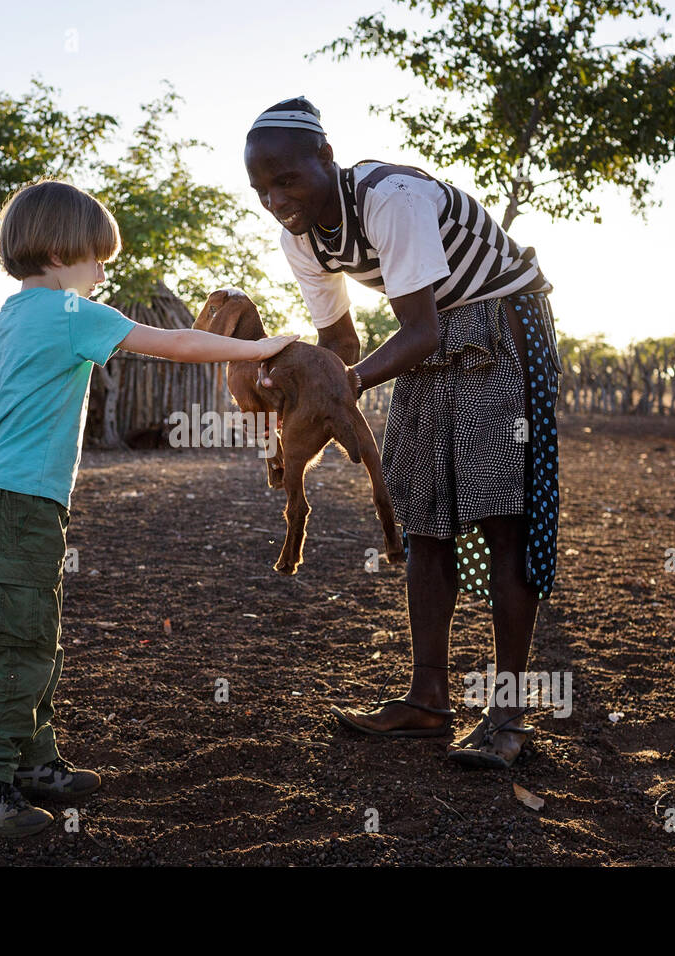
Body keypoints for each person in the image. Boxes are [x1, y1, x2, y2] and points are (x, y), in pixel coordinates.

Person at [0, 179, 299, 837]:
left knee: (33, 636)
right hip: (21, 507)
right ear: (58, 251)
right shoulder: (73, 314)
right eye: (99, 257)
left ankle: (34, 762)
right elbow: (177, 343)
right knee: (22, 648)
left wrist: (6, 461)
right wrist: (259, 348)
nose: (105, 271)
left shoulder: (4, 321)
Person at [244, 97, 562, 769]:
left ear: (325, 160)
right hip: (428, 345)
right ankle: (427, 700)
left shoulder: (391, 197)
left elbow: (415, 332)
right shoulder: (301, 236)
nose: (275, 199)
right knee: (423, 521)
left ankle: (506, 717)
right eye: (261, 189)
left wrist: (348, 385)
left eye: (286, 180)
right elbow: (341, 341)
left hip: (498, 330)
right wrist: (297, 380)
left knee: (498, 518)